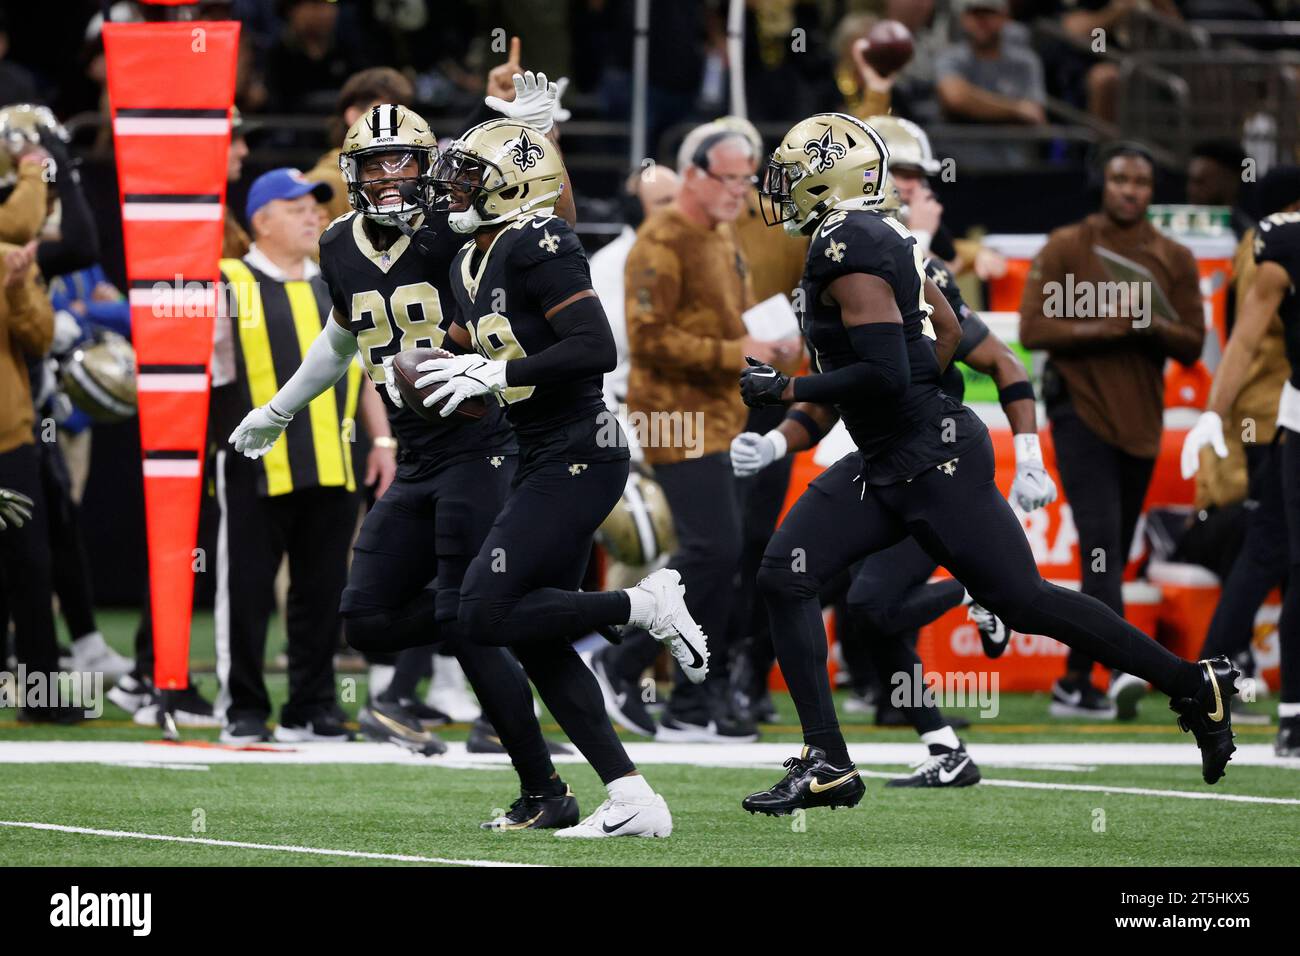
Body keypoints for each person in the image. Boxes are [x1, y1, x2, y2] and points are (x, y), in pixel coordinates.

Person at [736, 112, 1238, 816]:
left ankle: (1192, 684)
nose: (780, 191)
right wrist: (805, 424)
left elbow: (884, 371)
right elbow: (935, 336)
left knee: (1025, 601)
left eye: (792, 176)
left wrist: (794, 387)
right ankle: (827, 761)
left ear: (830, 175)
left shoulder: (846, 240)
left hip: (929, 456)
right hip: (897, 452)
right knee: (786, 574)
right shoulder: (877, 236)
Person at [229, 97, 579, 830]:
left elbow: (552, 232)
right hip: (420, 453)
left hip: (483, 443)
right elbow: (342, 339)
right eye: (374, 165)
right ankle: (581, 612)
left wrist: (538, 139)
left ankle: (545, 788)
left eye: (405, 162)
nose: (390, 178)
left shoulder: (459, 232)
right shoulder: (336, 244)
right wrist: (279, 409)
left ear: (429, 168)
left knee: (465, 616)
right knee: (367, 619)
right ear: (351, 173)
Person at [412, 116, 712, 838]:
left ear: (514, 189)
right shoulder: (467, 260)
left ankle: (640, 607)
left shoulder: (540, 240)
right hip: (539, 451)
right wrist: (426, 364)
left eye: (470, 178)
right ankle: (633, 796)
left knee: (480, 612)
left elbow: (593, 346)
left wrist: (498, 371)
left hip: (582, 448)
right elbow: (468, 341)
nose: (453, 188)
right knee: (535, 633)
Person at [735, 146, 1055, 788]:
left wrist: (1027, 457)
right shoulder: (844, 261)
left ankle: (979, 594)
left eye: (917, 183)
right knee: (834, 597)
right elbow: (843, 384)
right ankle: (938, 743)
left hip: (925, 461)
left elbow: (985, 363)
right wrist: (778, 441)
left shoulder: (907, 267)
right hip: (872, 456)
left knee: (864, 604)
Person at [614, 121, 794, 743]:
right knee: (713, 550)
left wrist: (762, 342)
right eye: (730, 177)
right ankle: (619, 663)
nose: (742, 191)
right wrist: (736, 350)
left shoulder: (722, 234)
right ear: (692, 173)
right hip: (673, 413)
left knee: (726, 552)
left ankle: (694, 700)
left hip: (720, 413)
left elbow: (720, 323)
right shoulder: (660, 240)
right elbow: (648, 339)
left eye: (748, 178)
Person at [1020, 143, 1204, 720]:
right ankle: (1126, 666)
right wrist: (1109, 324)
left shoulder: (1173, 255)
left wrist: (1147, 320)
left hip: (1142, 422)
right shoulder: (1067, 245)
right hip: (1078, 412)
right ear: (1104, 181)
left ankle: (1075, 682)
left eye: (1142, 182)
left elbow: (1194, 342)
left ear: (1152, 190)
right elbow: (1031, 328)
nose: (1130, 190)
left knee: (1111, 556)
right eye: (1121, 178)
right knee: (1101, 545)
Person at [1182, 166, 1300, 758]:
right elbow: (1249, 338)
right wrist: (1220, 412)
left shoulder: (1259, 244)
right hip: (1271, 410)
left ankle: (1214, 673)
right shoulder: (1274, 246)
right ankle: (1217, 672)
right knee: (1269, 547)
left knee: (1269, 545)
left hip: (1271, 408)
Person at [0, 240, 66, 721]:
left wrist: (19, 289)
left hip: (9, 442)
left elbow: (41, 339)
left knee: (31, 564)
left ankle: (40, 697)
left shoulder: (12, 258)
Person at [934, 0, 1047, 170]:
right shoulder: (950, 57)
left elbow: (1035, 115)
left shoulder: (1025, 62)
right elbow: (956, 98)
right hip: (959, 164)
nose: (981, 21)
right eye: (975, 13)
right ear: (964, 18)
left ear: (1005, 18)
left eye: (989, 13)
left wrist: (975, 106)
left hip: (1014, 165)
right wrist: (1016, 110)